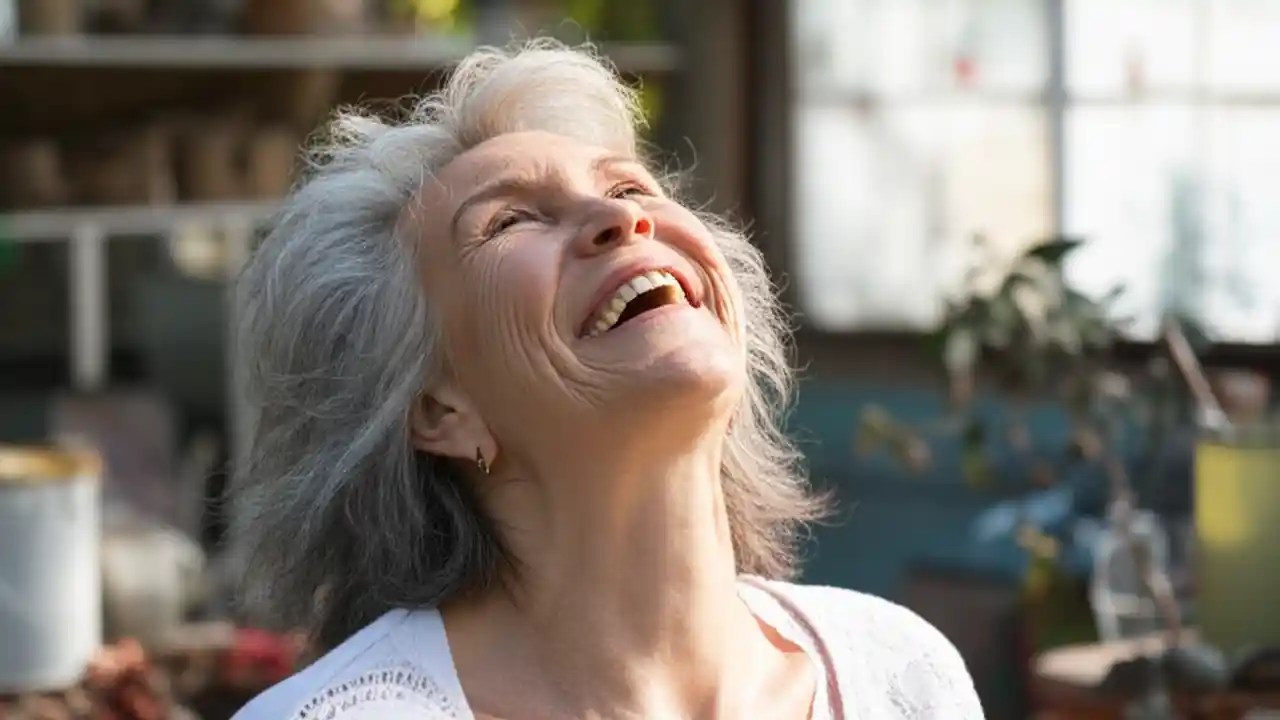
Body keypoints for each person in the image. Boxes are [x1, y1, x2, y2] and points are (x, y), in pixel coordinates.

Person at [229, 39, 984, 720]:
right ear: (438, 409)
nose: (618, 219)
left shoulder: (902, 676)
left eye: (629, 189)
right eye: (510, 221)